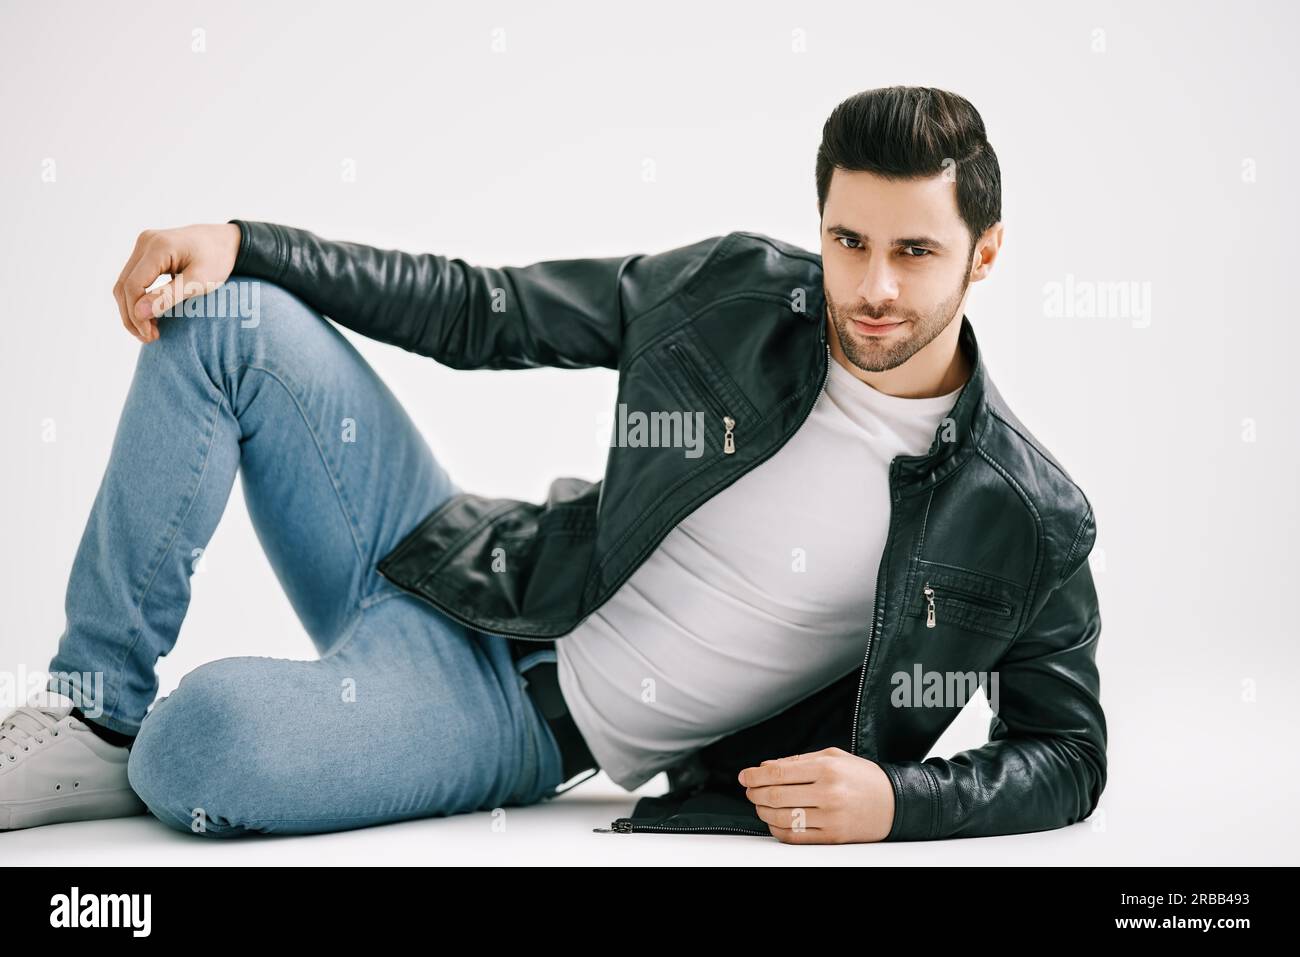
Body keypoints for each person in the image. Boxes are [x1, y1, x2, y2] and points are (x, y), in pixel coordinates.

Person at [1, 86, 1105, 843]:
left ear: (984, 253)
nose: (870, 288)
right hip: (455, 554)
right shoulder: (731, 292)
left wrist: (900, 803)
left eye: (914, 252)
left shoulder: (1024, 516)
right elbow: (486, 311)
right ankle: (93, 715)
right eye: (846, 242)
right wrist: (250, 239)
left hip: (507, 716)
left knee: (204, 746)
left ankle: (204, 739)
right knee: (229, 317)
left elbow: (1065, 754)